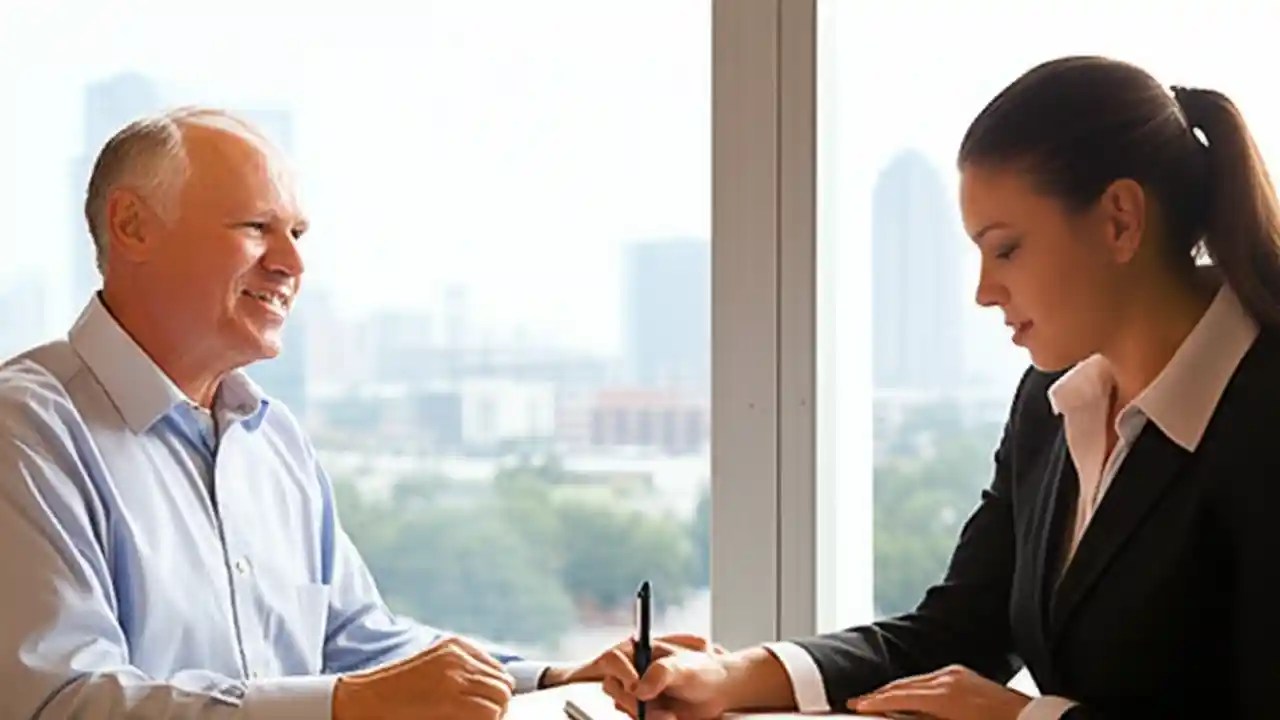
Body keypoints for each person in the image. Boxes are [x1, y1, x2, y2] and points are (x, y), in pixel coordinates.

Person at [597, 55, 1280, 719]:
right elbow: (960, 630)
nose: (985, 292)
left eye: (1007, 248)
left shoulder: (1262, 410)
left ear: (1120, 220)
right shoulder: (1054, 405)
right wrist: (730, 677)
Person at [0, 107, 623, 719]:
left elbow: (358, 641)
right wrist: (344, 705)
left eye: (295, 234)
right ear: (133, 226)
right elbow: (60, 701)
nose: (291, 265)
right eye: (255, 227)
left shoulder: (270, 439)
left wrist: (550, 679)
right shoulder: (27, 429)